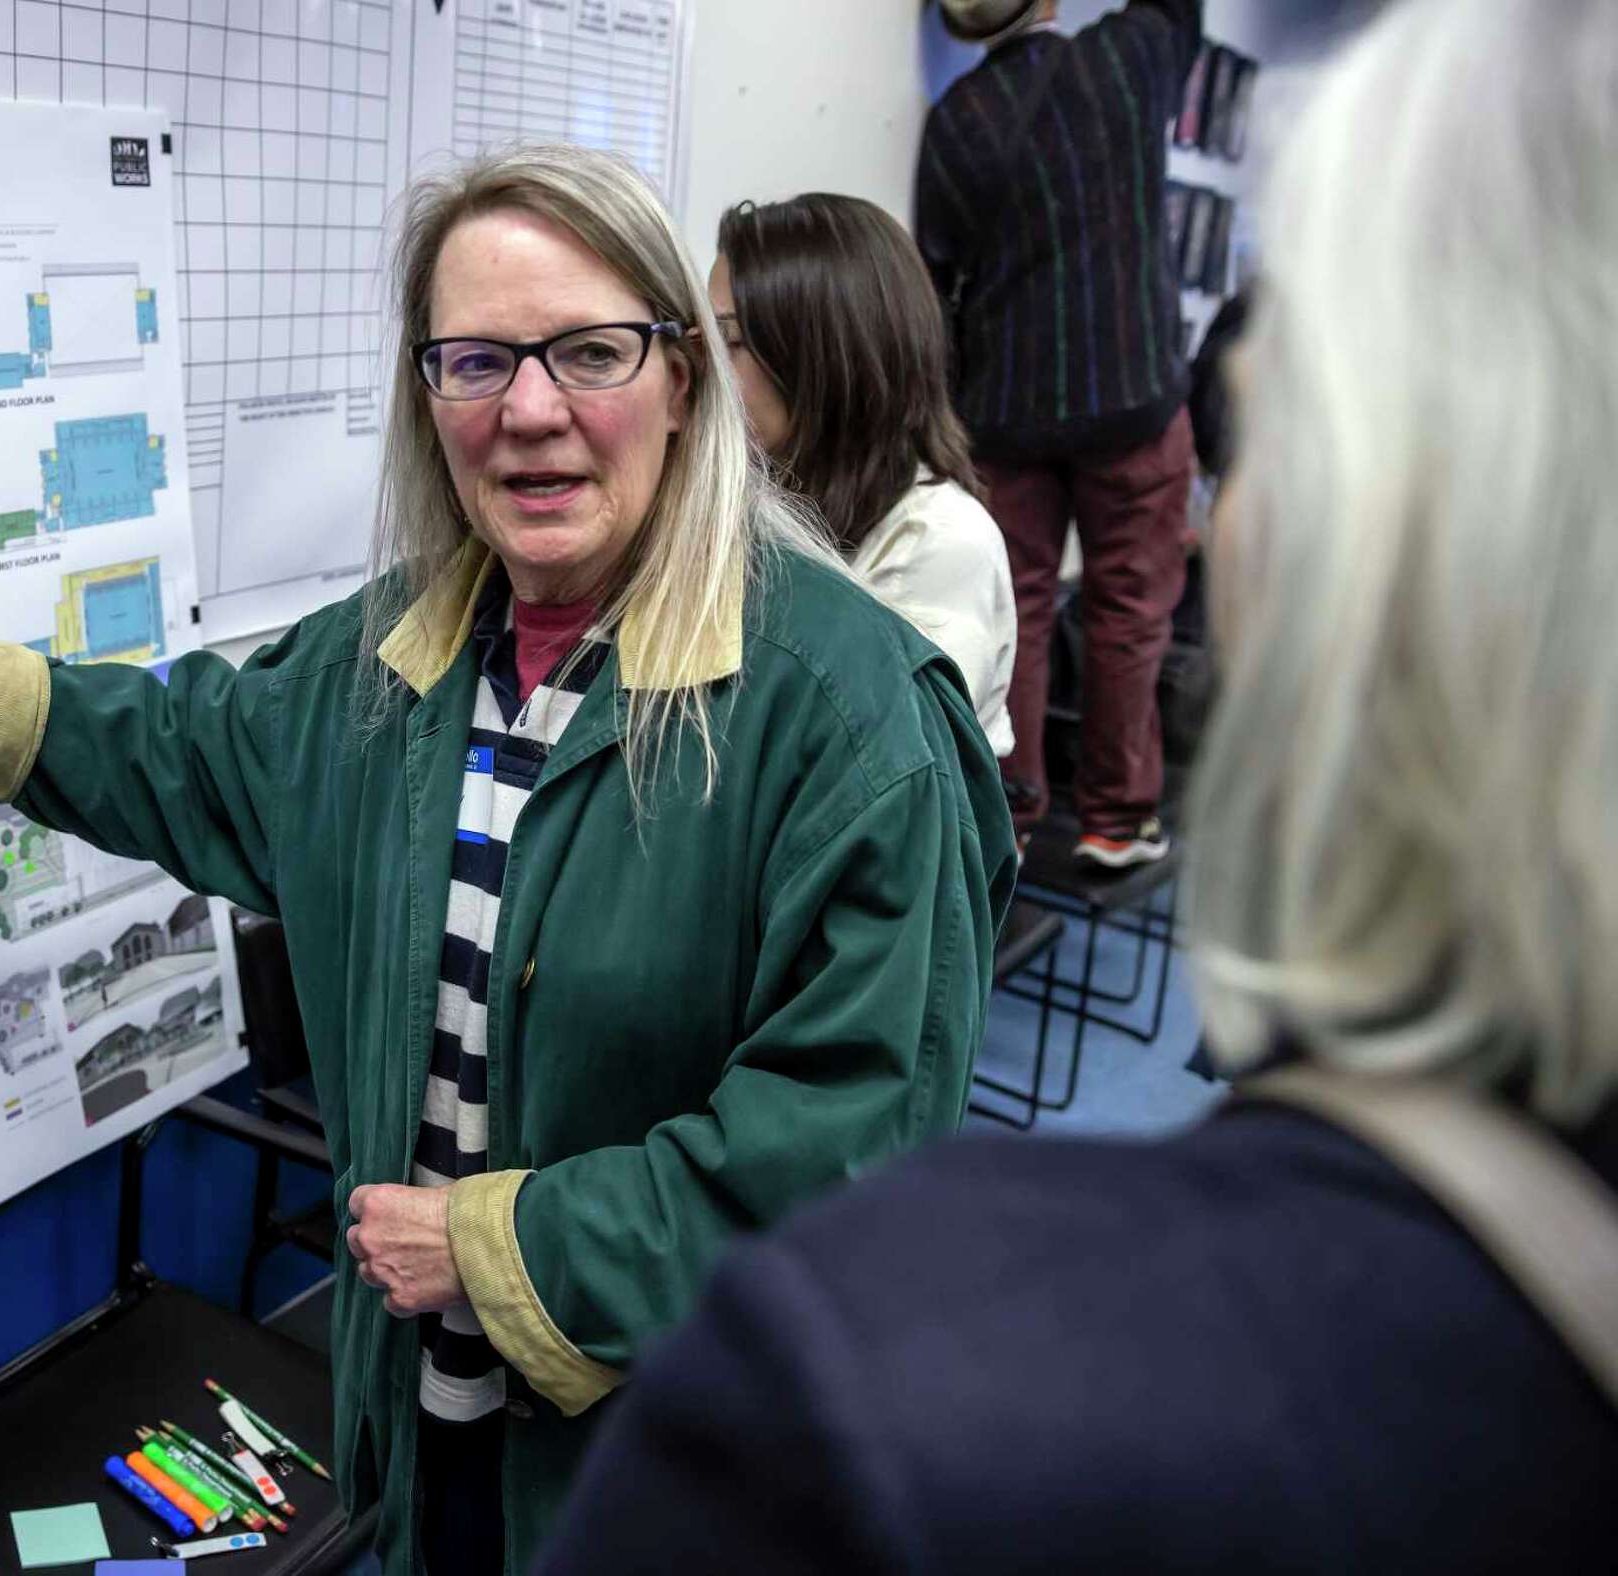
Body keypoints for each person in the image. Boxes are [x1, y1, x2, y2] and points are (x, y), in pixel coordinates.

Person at [0, 143, 1016, 1574]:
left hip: (672, 1463)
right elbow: (199, 750)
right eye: (476, 361)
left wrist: (502, 1247)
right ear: (428, 396)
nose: (530, 412)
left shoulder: (852, 719)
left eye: (590, 353)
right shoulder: (396, 654)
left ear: (683, 379)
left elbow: (852, 1159)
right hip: (425, 1421)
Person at [539, 0, 1618, 1567]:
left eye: (718, 341)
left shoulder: (859, 1415)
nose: (679, 383)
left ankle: (1106, 812)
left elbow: (829, 813)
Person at [918, 0, 1201, 866]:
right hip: (1133, 396)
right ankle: (1118, 819)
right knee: (1129, 608)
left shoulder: (952, 119)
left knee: (1018, 609)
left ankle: (1016, 806)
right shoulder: (1125, 60)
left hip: (1004, 409)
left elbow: (935, 279)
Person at [711, 192, 1015, 757]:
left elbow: (872, 761)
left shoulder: (941, 541)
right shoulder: (767, 495)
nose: (704, 372)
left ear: (817, 358)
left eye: (729, 341)